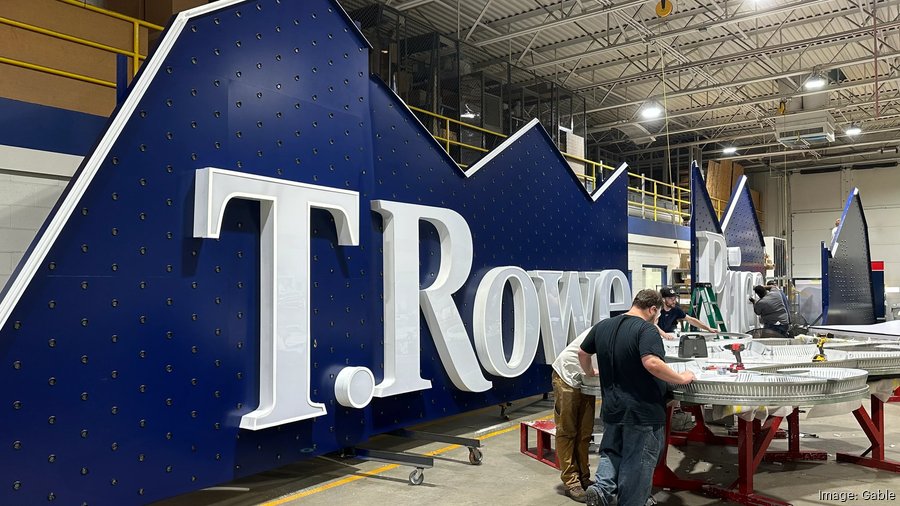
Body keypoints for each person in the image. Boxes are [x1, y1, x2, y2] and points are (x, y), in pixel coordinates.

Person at [578, 289, 695, 506]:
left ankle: (602, 490)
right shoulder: (646, 329)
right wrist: (680, 377)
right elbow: (651, 362)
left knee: (611, 451)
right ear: (652, 309)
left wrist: (590, 373)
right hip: (642, 411)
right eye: (657, 314)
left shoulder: (603, 326)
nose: (657, 318)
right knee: (638, 461)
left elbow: (583, 353)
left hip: (612, 407)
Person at [551, 330, 598, 502]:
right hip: (567, 375)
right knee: (567, 431)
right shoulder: (612, 328)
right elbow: (582, 353)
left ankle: (584, 477)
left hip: (587, 378)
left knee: (584, 432)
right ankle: (571, 482)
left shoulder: (632, 327)